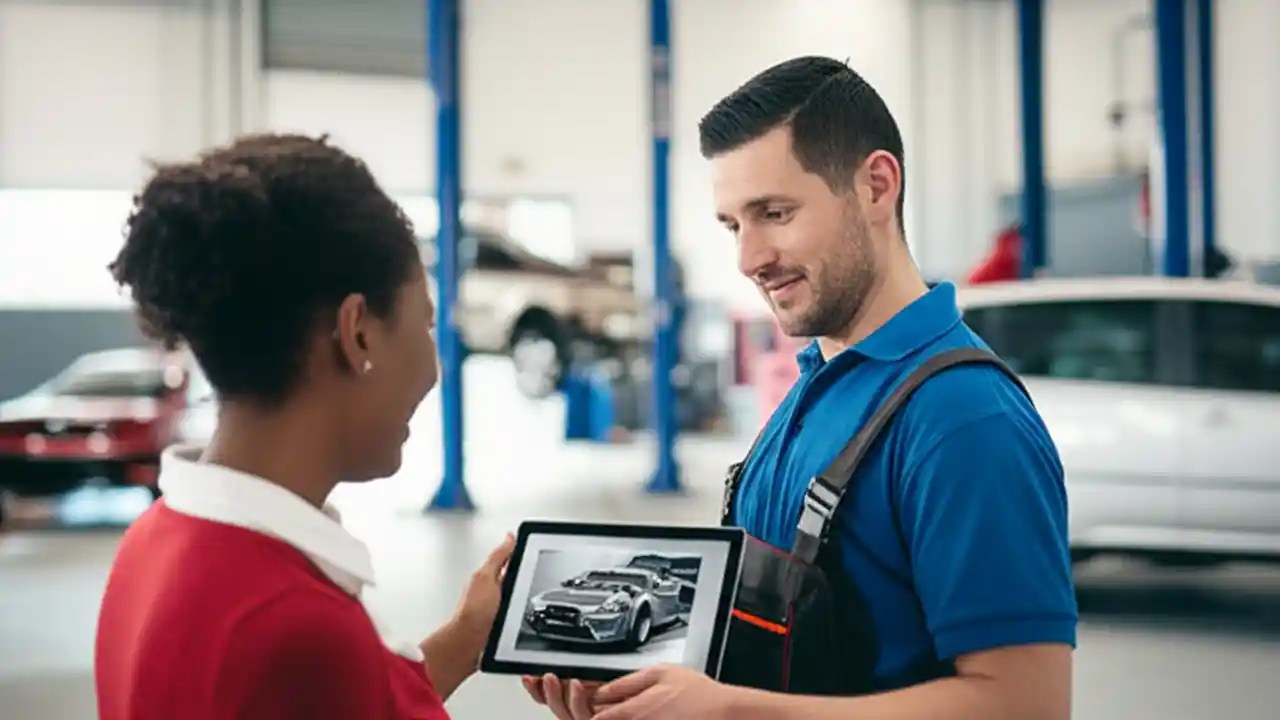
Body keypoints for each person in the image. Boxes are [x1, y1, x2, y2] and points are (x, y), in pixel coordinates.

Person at [528, 56, 1076, 720]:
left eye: (775, 213)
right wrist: (642, 685)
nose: (749, 258)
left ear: (876, 186)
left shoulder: (962, 418)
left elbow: (1026, 704)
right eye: (733, 224)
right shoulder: (816, 383)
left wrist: (728, 710)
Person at [94, 133, 513, 720]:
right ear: (358, 332)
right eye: (424, 325)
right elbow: (320, 674)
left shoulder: (159, 541)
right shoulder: (293, 623)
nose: (432, 371)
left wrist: (468, 636)